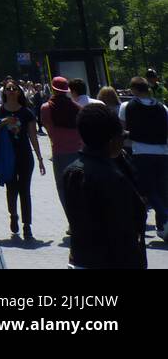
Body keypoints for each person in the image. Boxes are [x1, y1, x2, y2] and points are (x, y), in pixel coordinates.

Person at [62, 104, 148, 269]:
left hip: (81, 258)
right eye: (121, 137)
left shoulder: (71, 171)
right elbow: (122, 229)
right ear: (111, 140)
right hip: (112, 261)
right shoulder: (112, 177)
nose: (123, 142)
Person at [0, 79, 44, 239]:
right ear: (4, 92)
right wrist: (3, 122)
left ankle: (27, 225)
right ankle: (13, 215)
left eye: (14, 88)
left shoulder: (27, 112)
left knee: (25, 190)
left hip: (24, 154)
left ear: (19, 92)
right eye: (8, 88)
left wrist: (40, 157)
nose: (12, 90)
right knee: (11, 188)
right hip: (6, 155)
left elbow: (33, 136)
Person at [118, 76, 168, 241]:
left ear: (133, 90)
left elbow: (122, 131)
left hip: (140, 151)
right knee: (162, 190)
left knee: (147, 189)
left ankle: (165, 215)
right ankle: (163, 227)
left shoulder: (127, 106)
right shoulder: (162, 108)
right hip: (162, 152)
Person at [41, 76, 82, 221]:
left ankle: (72, 220)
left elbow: (48, 128)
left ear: (52, 88)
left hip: (60, 152)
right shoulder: (77, 107)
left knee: (63, 188)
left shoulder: (46, 108)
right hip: (78, 152)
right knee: (79, 188)